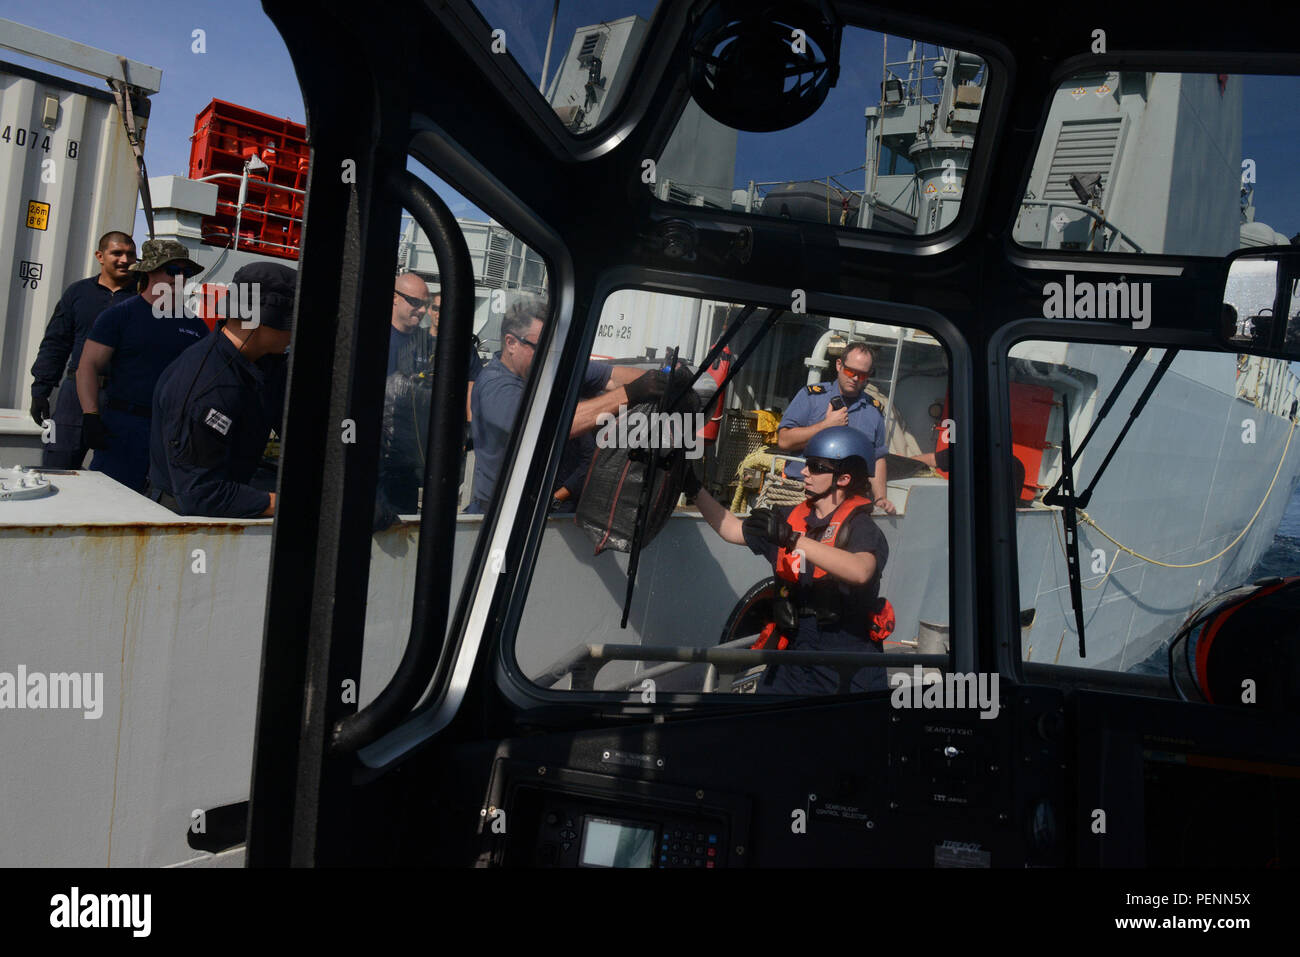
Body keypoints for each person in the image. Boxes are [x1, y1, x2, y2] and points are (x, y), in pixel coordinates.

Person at [693, 426, 890, 695]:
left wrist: (793, 540)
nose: (805, 472)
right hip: (793, 656)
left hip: (846, 661)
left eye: (815, 466)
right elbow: (731, 529)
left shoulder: (862, 528)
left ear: (843, 478)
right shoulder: (788, 518)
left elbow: (860, 571)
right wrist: (693, 489)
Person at [465, 294, 667, 513]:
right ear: (511, 343)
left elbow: (611, 376)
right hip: (500, 514)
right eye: (542, 347)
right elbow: (557, 426)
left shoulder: (549, 368)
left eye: (554, 347)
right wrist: (631, 393)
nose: (550, 356)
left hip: (546, 506)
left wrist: (663, 382)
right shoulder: (495, 387)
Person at [147, 263, 297, 517]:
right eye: (290, 321)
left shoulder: (263, 364)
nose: (294, 332)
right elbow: (200, 495)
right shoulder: (209, 387)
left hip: (228, 501)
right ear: (261, 319)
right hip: (184, 525)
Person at [76, 239, 208, 492]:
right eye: (171, 270)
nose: (179, 277)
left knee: (163, 510)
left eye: (185, 272)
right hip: (125, 426)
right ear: (149, 271)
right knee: (110, 500)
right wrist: (91, 416)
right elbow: (88, 366)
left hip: (173, 433)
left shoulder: (196, 326)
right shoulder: (121, 315)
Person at [28, 231, 138, 467]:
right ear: (100, 255)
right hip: (73, 397)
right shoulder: (77, 293)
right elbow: (56, 342)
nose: (125, 260)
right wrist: (40, 390)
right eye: (117, 253)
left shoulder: (144, 297)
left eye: (130, 254)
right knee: (57, 465)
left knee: (116, 478)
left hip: (123, 398)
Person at [776, 341, 895, 514]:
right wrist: (826, 426)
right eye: (850, 371)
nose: (855, 378)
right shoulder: (811, 397)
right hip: (802, 493)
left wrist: (880, 498)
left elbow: (877, 458)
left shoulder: (873, 410)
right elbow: (784, 441)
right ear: (839, 365)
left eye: (862, 375)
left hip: (849, 501)